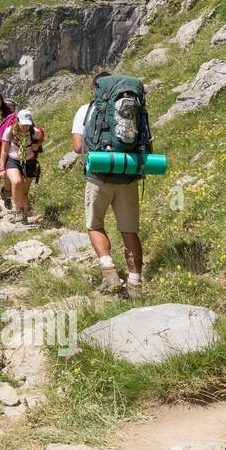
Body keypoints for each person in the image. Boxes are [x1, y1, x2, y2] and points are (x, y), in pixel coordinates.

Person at [72, 71, 144, 298]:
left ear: (96, 89)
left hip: (99, 175)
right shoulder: (133, 108)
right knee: (129, 230)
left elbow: (77, 146)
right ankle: (135, 283)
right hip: (128, 172)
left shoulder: (86, 109)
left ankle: (110, 272)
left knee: (95, 225)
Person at [0, 108, 44, 224]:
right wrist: (2, 168)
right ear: (17, 121)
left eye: (27, 125)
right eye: (23, 124)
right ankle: (18, 210)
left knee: (24, 191)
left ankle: (23, 216)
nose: (25, 127)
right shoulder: (9, 131)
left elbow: (40, 140)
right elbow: (4, 151)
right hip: (13, 160)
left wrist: (37, 145)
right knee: (17, 182)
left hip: (29, 161)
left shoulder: (35, 132)